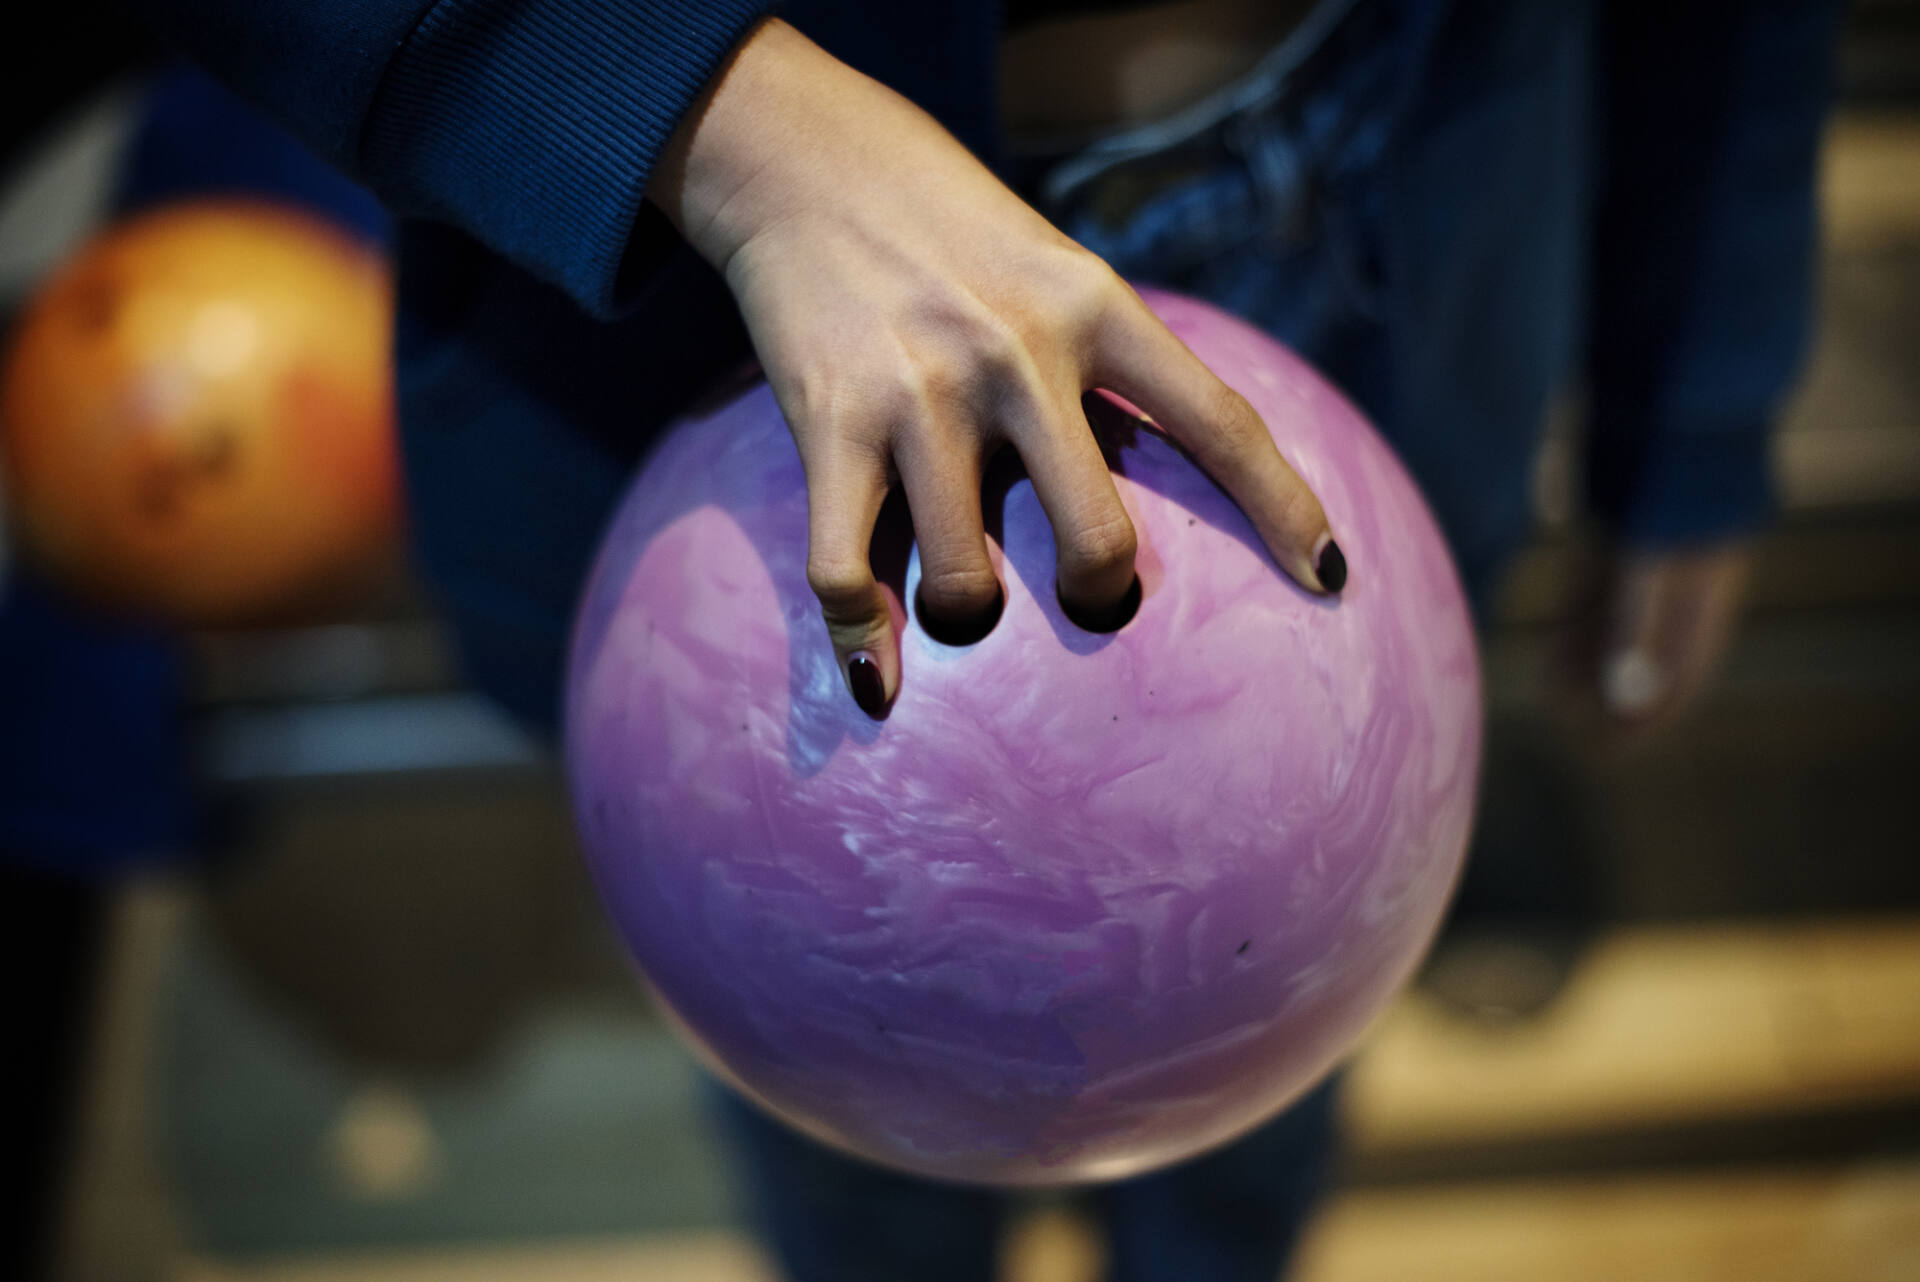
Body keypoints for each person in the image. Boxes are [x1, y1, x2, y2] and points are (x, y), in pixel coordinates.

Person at [110, 1, 1843, 1278]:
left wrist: (1697, 374)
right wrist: (726, 126)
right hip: (715, 299)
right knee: (862, 1138)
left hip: (1396, 189)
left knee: (1259, 1060)